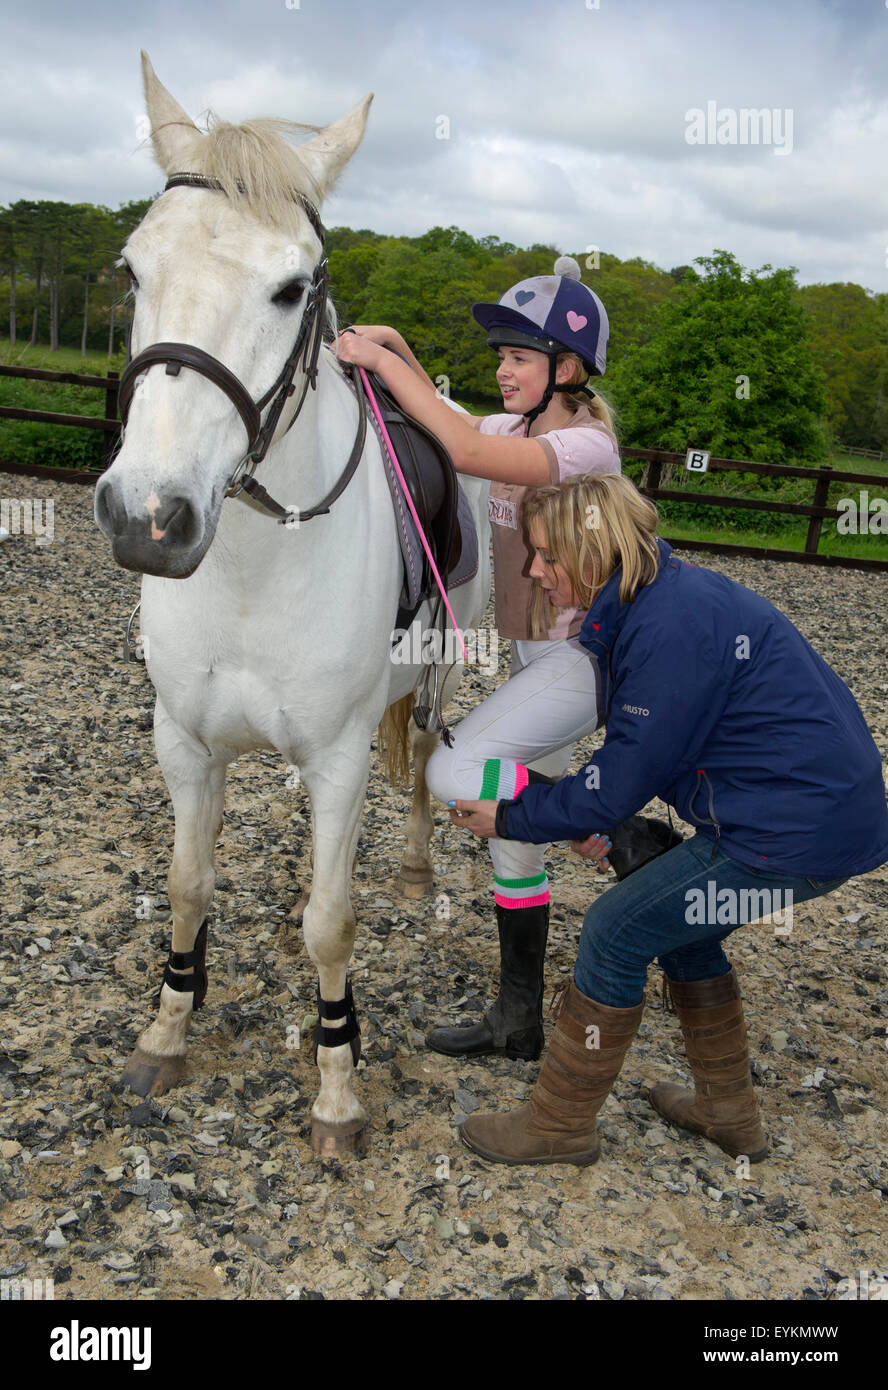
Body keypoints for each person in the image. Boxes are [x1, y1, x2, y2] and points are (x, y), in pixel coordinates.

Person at [447, 471, 888, 1166]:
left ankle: (560, 1125)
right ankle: (728, 1113)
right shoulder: (661, 598)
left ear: (592, 557)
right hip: (814, 819)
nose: (533, 571)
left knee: (615, 929)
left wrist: (511, 815)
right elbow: (636, 764)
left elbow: (614, 784)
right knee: (683, 929)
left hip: (790, 835)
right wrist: (581, 812)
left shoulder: (667, 626)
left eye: (546, 556)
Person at [335, 259, 675, 1064]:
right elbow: (450, 415)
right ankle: (520, 1015)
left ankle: (611, 824)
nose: (501, 370)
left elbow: (453, 439)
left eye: (520, 357)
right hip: (538, 658)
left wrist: (382, 361)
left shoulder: (584, 444)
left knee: (462, 774)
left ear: (566, 369)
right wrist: (400, 349)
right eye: (500, 357)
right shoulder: (513, 428)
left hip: (590, 657)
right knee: (511, 831)